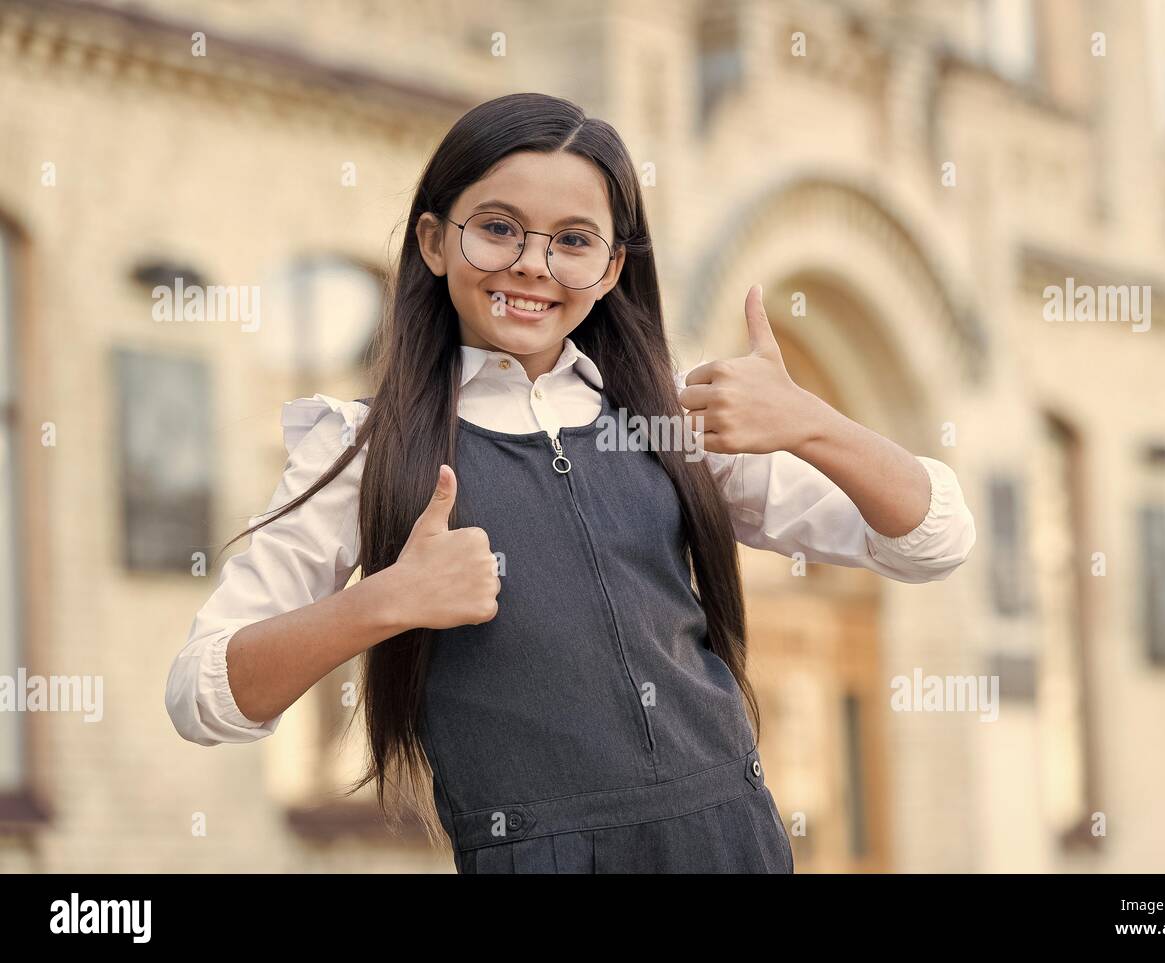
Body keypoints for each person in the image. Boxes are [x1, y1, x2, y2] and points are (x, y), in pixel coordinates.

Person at [165, 91, 977, 873]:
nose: (532, 265)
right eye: (497, 228)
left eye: (574, 240)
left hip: (734, 838)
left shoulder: (677, 421)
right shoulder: (363, 449)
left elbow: (934, 537)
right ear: (433, 241)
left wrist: (812, 422)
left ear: (613, 266)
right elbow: (202, 694)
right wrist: (386, 600)